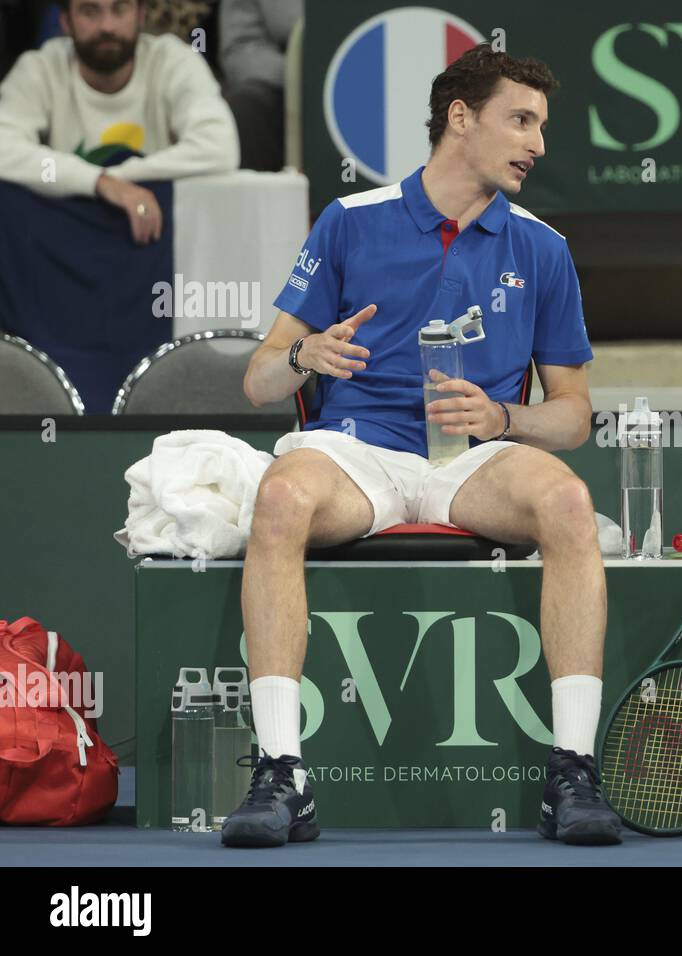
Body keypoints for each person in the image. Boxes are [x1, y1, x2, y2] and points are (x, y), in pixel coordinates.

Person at [227, 44, 621, 848]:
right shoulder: (351, 221)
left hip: (472, 460)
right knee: (279, 496)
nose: (537, 143)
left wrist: (502, 419)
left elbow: (575, 416)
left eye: (542, 125)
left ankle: (573, 770)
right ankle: (280, 772)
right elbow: (259, 381)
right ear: (460, 118)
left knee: (568, 501)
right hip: (357, 450)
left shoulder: (542, 246)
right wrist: (306, 356)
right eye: (521, 119)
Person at [0, 0, 238, 244]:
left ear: (141, 14)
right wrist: (97, 183)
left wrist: (113, 180)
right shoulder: (40, 68)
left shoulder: (175, 60)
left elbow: (219, 147)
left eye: (120, 8)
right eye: (89, 11)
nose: (107, 26)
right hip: (64, 239)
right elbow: (4, 149)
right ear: (65, 21)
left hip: (157, 240)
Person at [219, 0, 301, 171]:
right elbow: (241, 49)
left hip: (366, 76)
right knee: (245, 109)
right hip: (288, 83)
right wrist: (303, 75)